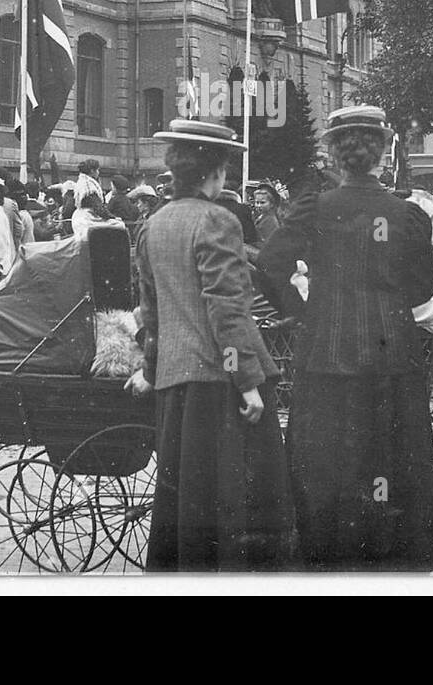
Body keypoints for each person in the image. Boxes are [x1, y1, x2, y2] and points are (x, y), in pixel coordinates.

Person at [260, 105, 433, 570]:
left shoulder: (315, 207)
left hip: (326, 343)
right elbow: (424, 287)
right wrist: (386, 301)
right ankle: (395, 552)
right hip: (392, 348)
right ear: (382, 152)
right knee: (391, 449)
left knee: (325, 452)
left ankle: (328, 550)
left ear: (335, 154)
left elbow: (269, 263)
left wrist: (301, 309)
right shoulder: (406, 214)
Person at [128, 118, 292, 570]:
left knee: (185, 495)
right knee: (234, 494)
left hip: (176, 384)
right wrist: (248, 382)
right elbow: (227, 309)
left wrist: (149, 369)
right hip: (218, 384)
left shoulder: (154, 224)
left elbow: (151, 312)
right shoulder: (217, 220)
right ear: (216, 173)